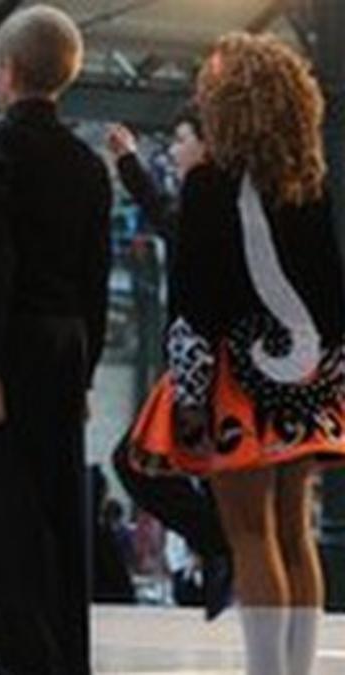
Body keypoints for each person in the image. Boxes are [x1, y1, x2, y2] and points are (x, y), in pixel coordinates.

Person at [129, 32, 343, 675]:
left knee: (248, 532)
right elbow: (331, 289)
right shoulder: (308, 183)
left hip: (238, 381)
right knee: (293, 532)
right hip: (309, 379)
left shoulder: (207, 186)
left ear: (229, 104)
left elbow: (192, 302)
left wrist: (191, 397)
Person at [0, 6, 112, 674]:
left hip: (14, 344)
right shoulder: (88, 163)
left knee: (6, 520)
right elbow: (95, 274)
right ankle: (67, 659)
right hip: (70, 343)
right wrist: (85, 376)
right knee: (61, 513)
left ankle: (23, 663)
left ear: (9, 72)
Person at [106, 106, 234, 620]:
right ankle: (222, 542)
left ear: (206, 146)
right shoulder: (218, 202)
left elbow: (167, 218)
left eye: (181, 140)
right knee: (139, 462)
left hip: (205, 364)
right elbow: (166, 216)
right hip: (205, 362)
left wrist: (132, 167)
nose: (175, 150)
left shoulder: (213, 205)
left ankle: (222, 540)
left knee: (135, 462)